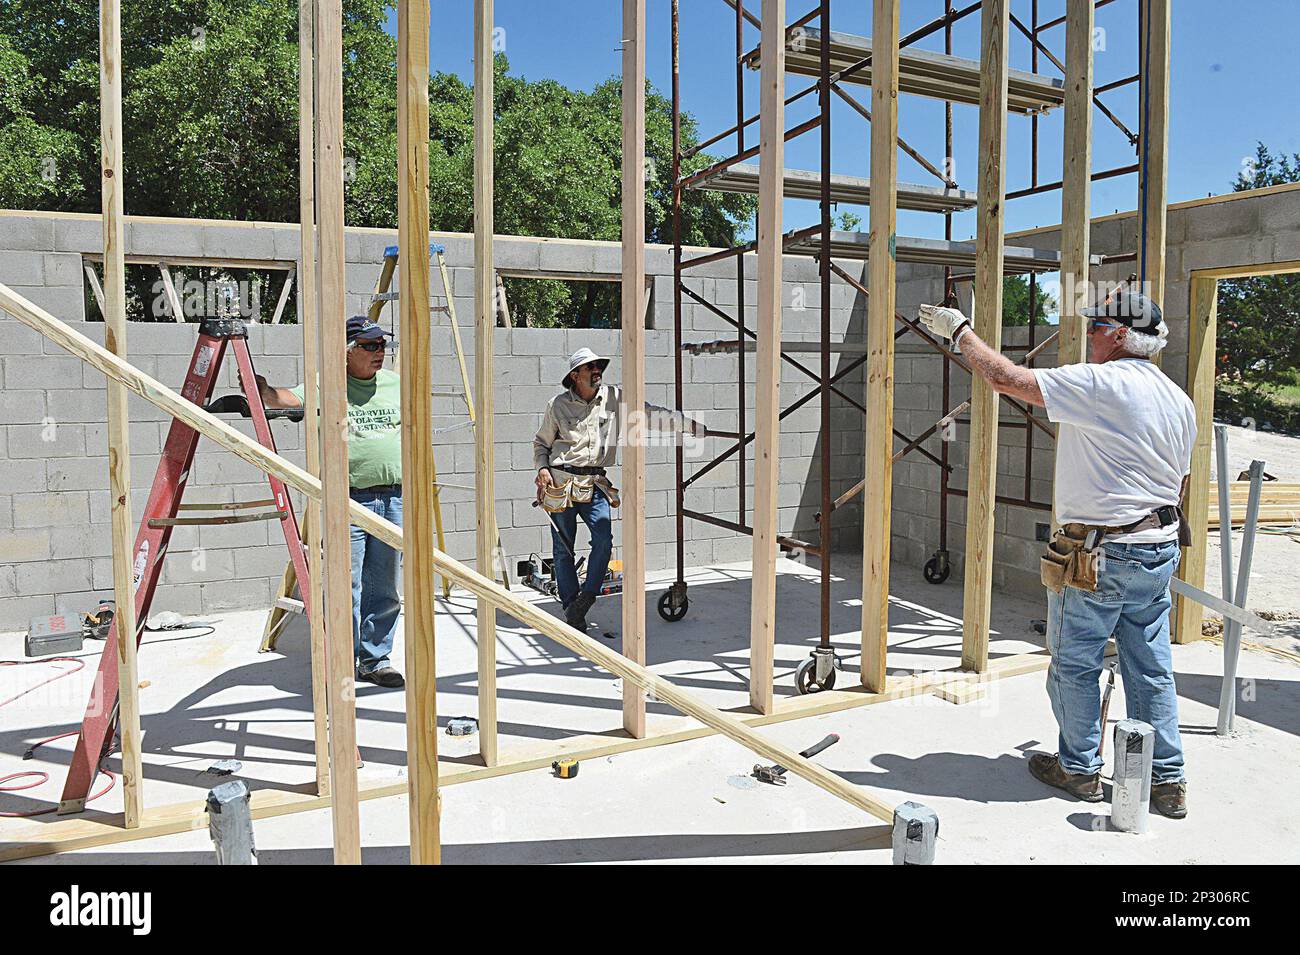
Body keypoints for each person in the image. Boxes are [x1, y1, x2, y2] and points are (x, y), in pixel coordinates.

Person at [919, 288, 1195, 819]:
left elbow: (1004, 379)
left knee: (1075, 662)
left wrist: (959, 333)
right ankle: (1166, 780)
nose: (1087, 336)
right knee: (1152, 667)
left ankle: (1078, 767)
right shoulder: (1176, 398)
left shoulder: (1104, 383)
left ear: (1119, 335)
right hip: (1157, 549)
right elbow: (1180, 483)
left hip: (1099, 554)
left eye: (1095, 328)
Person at [253, 316, 406, 689]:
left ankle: (375, 658)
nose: (379, 352)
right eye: (369, 346)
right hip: (346, 501)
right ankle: (342, 660)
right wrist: (261, 389)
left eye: (382, 345)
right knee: (345, 586)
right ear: (348, 351)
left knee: (384, 586)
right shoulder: (328, 386)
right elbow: (286, 400)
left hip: (392, 497)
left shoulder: (394, 383)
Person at [533, 347, 704, 630]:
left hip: (595, 482)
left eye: (599, 366)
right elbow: (541, 443)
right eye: (590, 367)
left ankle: (586, 597)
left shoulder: (614, 399)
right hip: (561, 482)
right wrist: (541, 469)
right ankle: (571, 609)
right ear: (575, 376)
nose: (597, 370)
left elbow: (648, 414)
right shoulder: (557, 405)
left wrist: (687, 425)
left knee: (603, 541)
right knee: (563, 550)